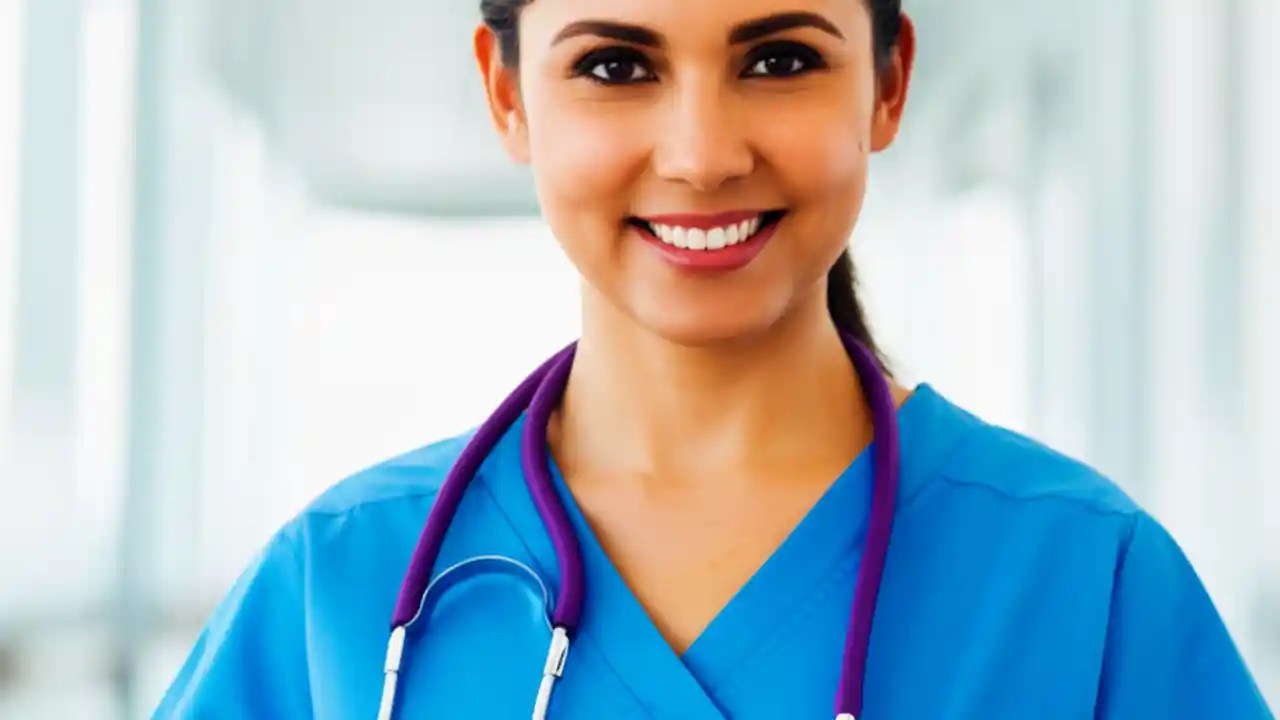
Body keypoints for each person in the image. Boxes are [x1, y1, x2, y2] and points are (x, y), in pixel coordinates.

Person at [155, 0, 1275, 717]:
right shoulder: (336, 590)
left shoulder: (1082, 582)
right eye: (613, 66)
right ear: (507, 94)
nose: (700, 154)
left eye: (779, 58)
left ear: (886, 84)